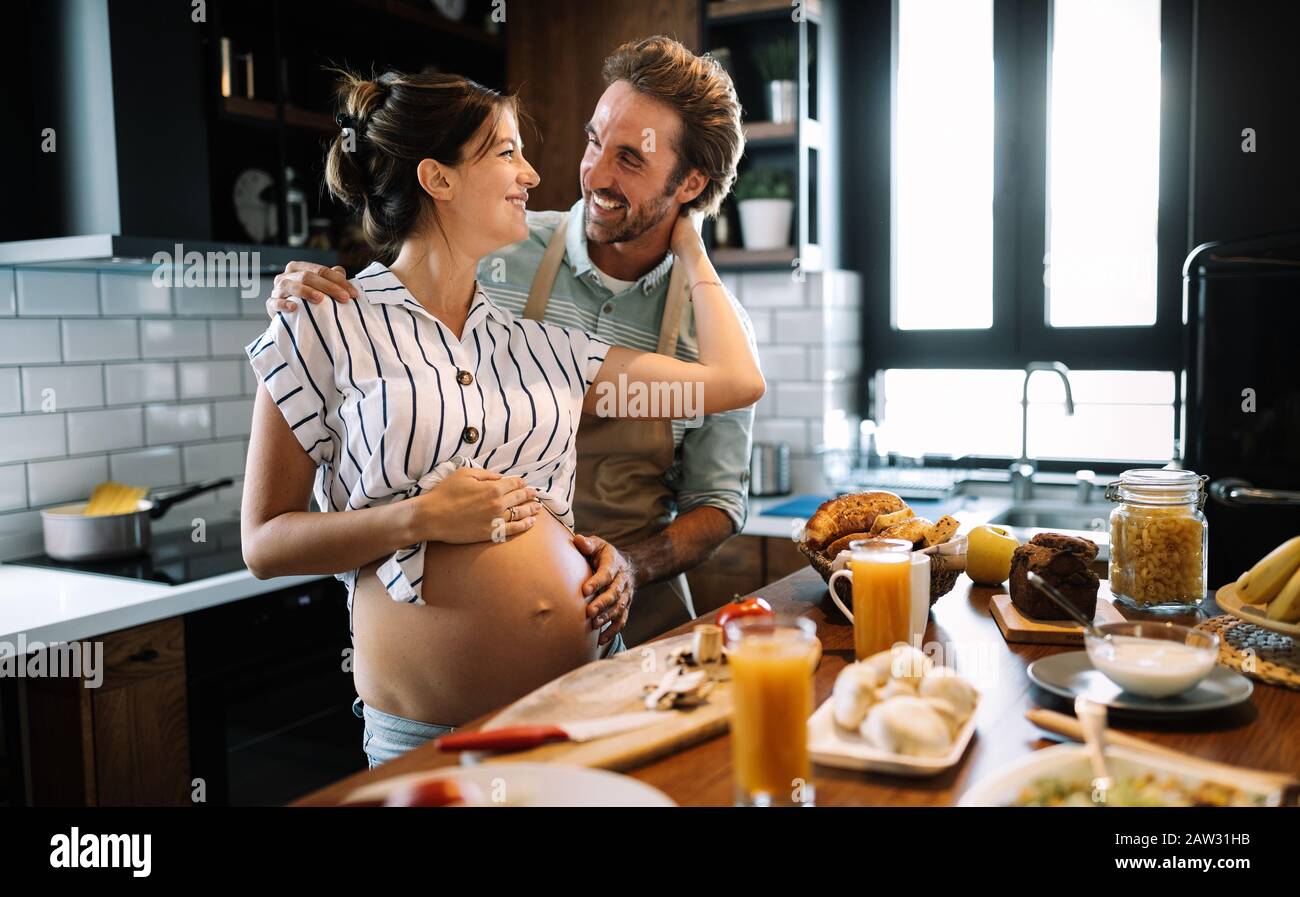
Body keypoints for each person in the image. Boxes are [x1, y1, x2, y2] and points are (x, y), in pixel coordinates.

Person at [240, 66, 763, 767]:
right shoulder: (321, 324)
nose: (541, 177)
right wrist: (418, 518)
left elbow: (734, 382)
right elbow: (263, 543)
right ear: (439, 179)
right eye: (507, 153)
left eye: (629, 155)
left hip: (582, 702)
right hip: (425, 732)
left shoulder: (543, 345)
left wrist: (690, 240)